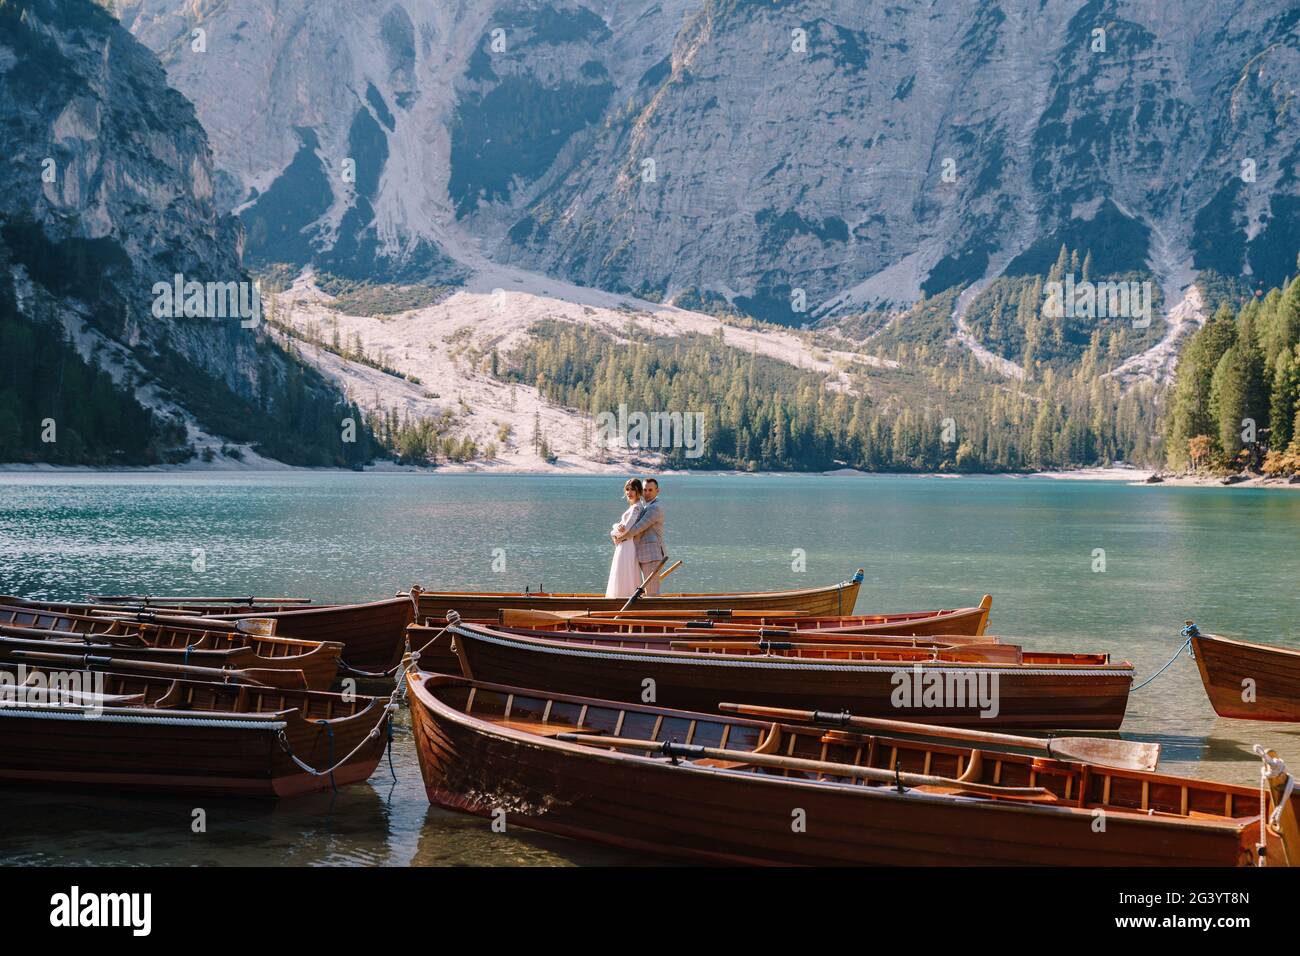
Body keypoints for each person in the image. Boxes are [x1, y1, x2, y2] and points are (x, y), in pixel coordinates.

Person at [616, 477, 666, 594]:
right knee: (648, 589)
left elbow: (639, 527)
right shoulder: (646, 506)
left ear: (657, 491)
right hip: (645, 554)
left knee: (652, 592)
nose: (647, 493)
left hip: (652, 554)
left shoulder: (655, 508)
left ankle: (653, 612)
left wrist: (620, 537)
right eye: (645, 490)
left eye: (650, 490)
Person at [604, 478, 645, 598]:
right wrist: (616, 526)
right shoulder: (636, 507)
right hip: (626, 543)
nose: (629, 492)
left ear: (639, 491)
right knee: (625, 571)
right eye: (627, 489)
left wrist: (613, 531)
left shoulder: (636, 508)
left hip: (627, 543)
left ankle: (620, 597)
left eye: (632, 489)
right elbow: (622, 527)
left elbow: (626, 528)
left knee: (623, 571)